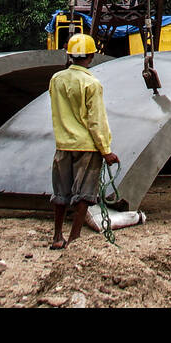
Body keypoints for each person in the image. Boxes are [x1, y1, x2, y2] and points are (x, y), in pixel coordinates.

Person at [49, 33, 119, 249]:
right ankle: (74, 240)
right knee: (84, 195)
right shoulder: (91, 83)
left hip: (63, 144)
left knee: (61, 193)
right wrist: (106, 151)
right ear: (91, 56)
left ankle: (57, 237)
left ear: (69, 55)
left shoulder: (56, 79)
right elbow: (96, 121)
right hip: (87, 147)